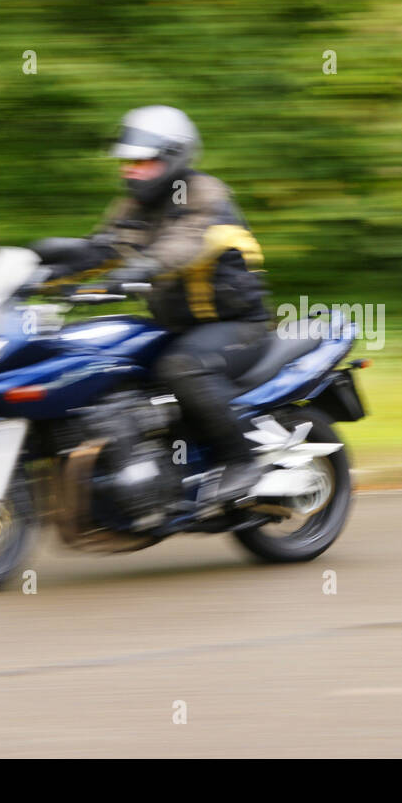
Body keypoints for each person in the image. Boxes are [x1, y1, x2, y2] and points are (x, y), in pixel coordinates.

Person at [93, 105, 272, 504]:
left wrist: (144, 265)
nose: (130, 170)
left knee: (181, 367)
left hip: (237, 326)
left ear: (173, 158)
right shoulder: (132, 209)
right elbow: (99, 250)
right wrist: (41, 265)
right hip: (177, 328)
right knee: (106, 363)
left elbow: (184, 245)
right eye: (127, 162)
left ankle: (242, 460)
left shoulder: (206, 195)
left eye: (143, 161)